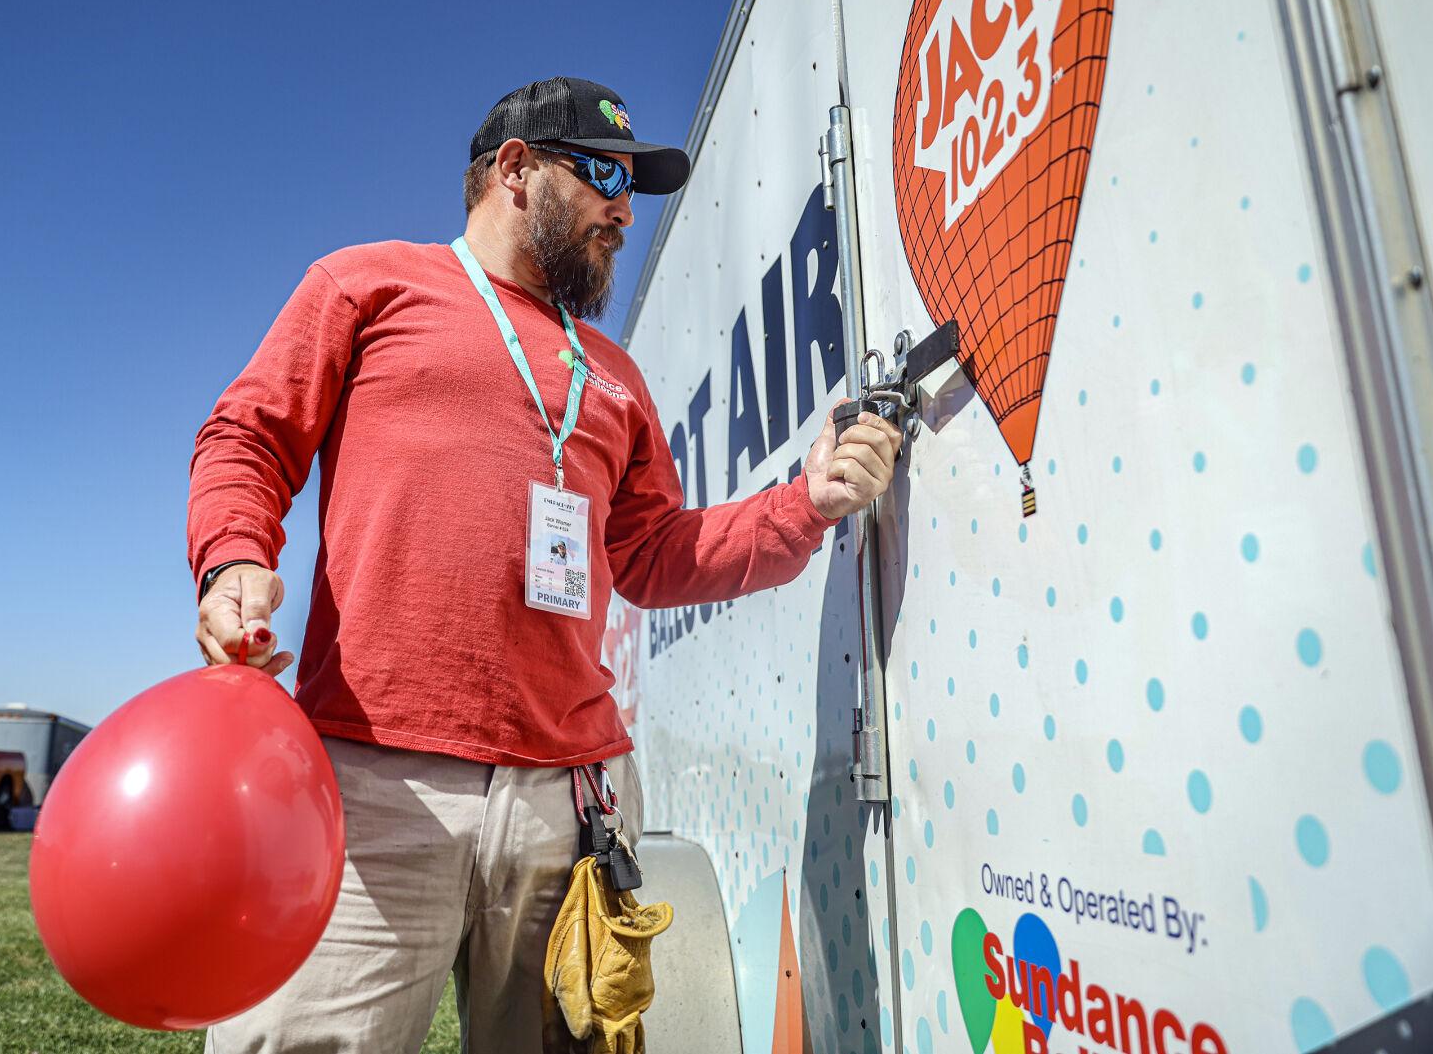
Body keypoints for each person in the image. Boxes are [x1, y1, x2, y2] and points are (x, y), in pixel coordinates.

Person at [188, 76, 903, 1053]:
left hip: (569, 805)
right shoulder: (364, 284)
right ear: (514, 170)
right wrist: (233, 559)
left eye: (633, 189)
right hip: (368, 781)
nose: (622, 207)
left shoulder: (615, 379)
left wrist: (804, 504)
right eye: (602, 172)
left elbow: (651, 556)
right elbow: (248, 438)